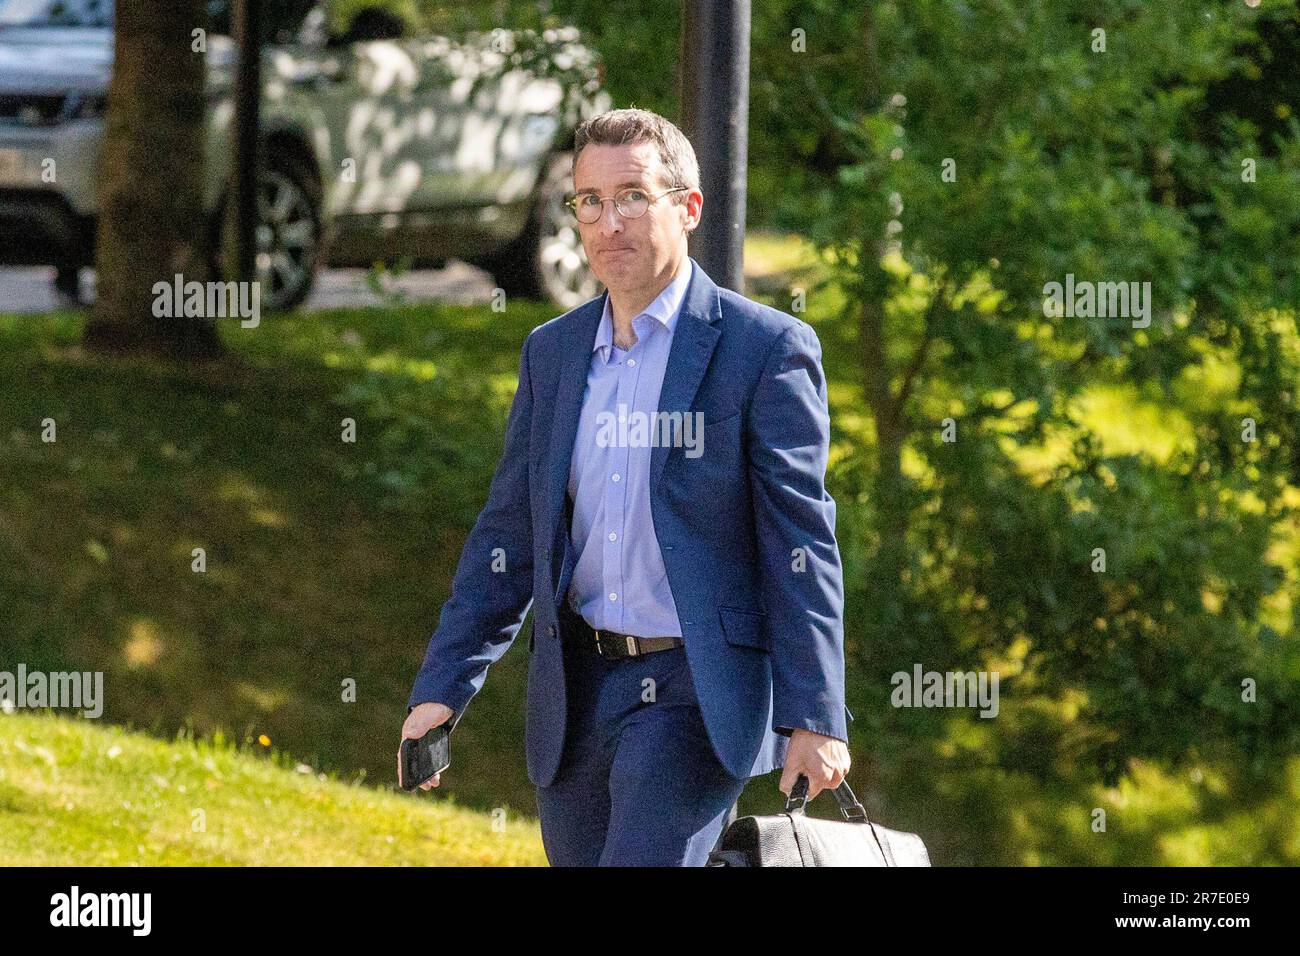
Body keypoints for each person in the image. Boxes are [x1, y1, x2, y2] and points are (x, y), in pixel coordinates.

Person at [400, 107, 851, 866]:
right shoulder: (554, 352)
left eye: (634, 197)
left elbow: (801, 541)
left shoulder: (764, 350)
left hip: (694, 694)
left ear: (689, 206)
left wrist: (816, 712)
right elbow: (510, 534)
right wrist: (442, 689)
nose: (610, 223)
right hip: (577, 696)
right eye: (590, 202)